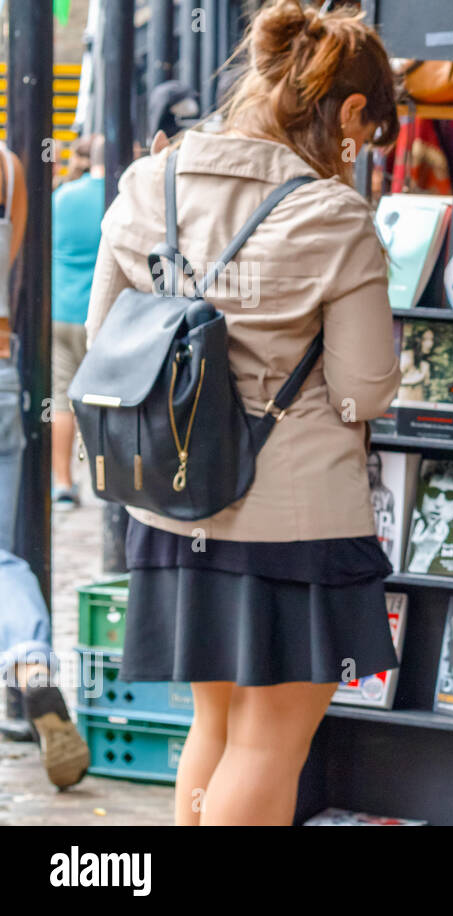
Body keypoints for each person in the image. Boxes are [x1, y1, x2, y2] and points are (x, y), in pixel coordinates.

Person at [85, 0, 400, 826]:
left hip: (174, 501)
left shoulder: (145, 185)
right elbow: (366, 387)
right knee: (271, 740)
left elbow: (104, 344)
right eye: (363, 135)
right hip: (293, 519)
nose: (356, 152)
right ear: (352, 110)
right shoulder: (333, 217)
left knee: (216, 721)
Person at [0, 138, 91, 788]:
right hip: (1, 373)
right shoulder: (9, 168)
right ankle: (30, 664)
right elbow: (14, 263)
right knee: (3, 555)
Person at [51, 134, 105, 508]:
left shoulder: (63, 197)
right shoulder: (120, 197)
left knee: (59, 401)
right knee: (106, 399)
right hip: (103, 316)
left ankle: (64, 485)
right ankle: (107, 481)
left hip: (59, 310)